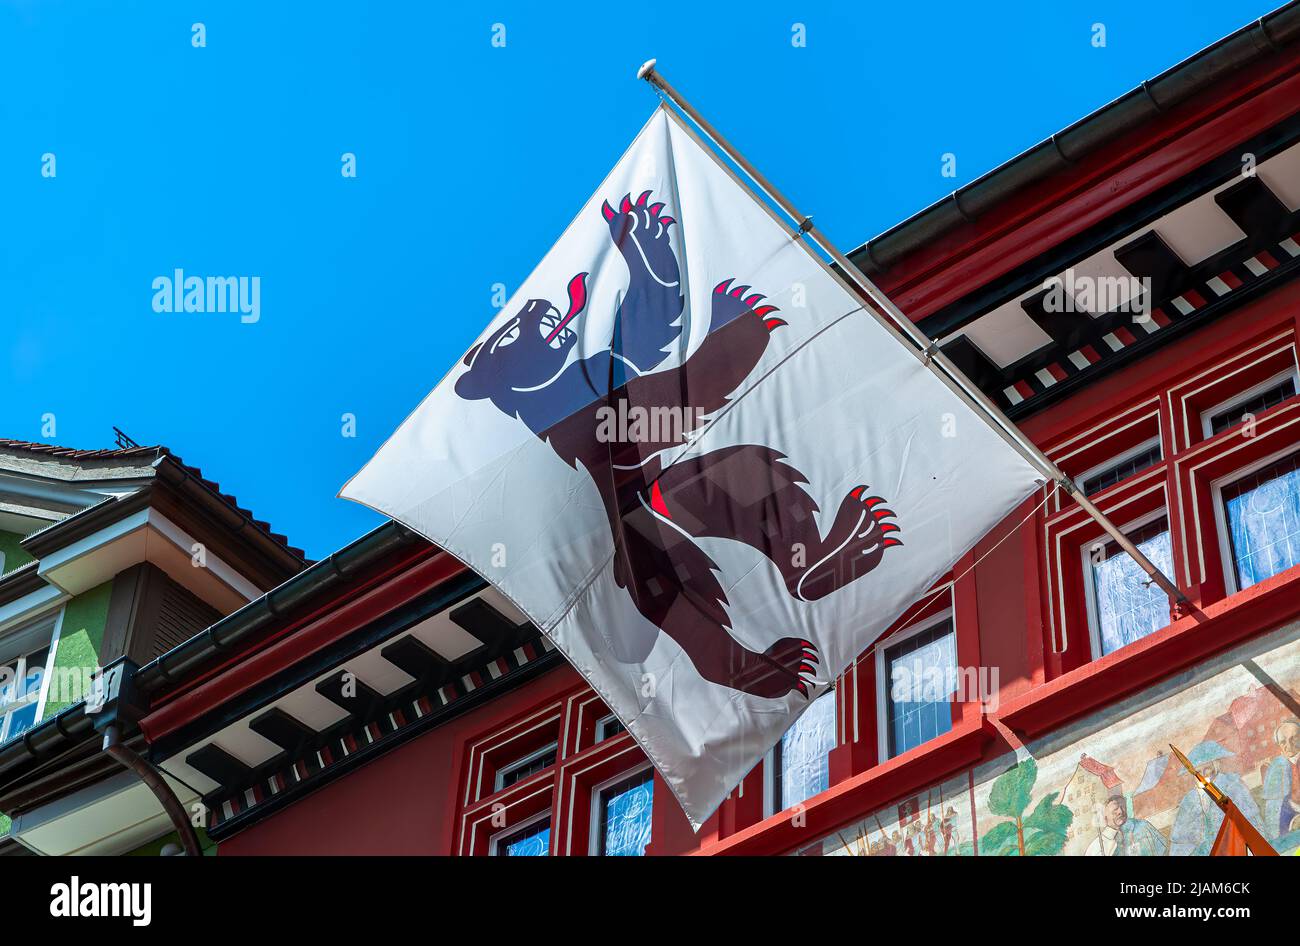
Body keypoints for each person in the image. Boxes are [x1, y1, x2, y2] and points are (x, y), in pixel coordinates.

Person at [1169, 741, 1263, 856]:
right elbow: (1180, 841)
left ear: (1215, 766)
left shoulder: (1233, 786)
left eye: (1207, 769)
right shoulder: (1189, 801)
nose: (1202, 775)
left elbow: (1252, 822)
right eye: (1198, 772)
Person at [1084, 795, 1168, 856]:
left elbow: (1166, 851)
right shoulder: (1098, 846)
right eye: (1115, 809)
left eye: (1122, 807)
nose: (1120, 811)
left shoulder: (1143, 826)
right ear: (1104, 815)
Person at [1262, 719, 1300, 840]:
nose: (1288, 745)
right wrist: (1294, 819)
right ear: (1279, 745)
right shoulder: (1276, 768)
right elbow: (1276, 808)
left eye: (1293, 738)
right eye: (1283, 742)